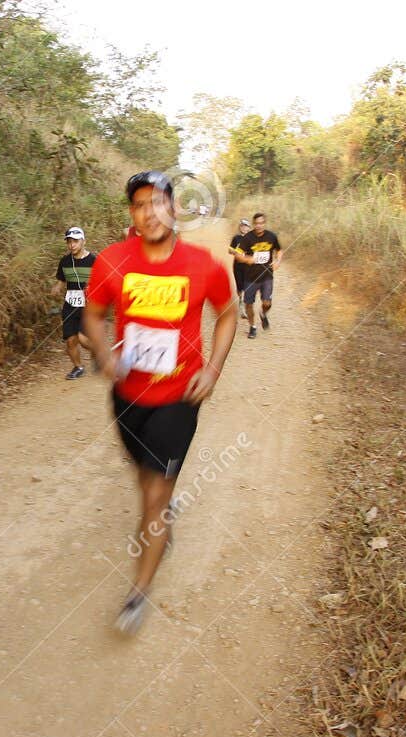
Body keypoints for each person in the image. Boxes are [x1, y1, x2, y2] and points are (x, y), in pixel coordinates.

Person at [83, 171, 238, 636]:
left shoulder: (203, 264)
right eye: (140, 205)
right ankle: (159, 515)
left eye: (159, 202)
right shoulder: (111, 261)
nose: (150, 212)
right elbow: (92, 314)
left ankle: (137, 592)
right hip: (128, 399)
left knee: (155, 498)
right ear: (132, 215)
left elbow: (228, 313)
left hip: (178, 399)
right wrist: (104, 349)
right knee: (144, 477)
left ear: (175, 208)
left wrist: (212, 369)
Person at [54, 227, 97, 380]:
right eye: (69, 242)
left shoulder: (94, 260)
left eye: (75, 241)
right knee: (71, 340)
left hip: (89, 305)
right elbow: (61, 280)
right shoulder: (65, 261)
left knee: (84, 339)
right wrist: (57, 288)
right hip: (70, 304)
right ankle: (78, 367)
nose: (72, 245)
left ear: (83, 241)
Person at [233, 211, 282, 339]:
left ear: (264, 224)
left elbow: (279, 250)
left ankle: (263, 314)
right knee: (249, 304)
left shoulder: (271, 236)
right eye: (256, 223)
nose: (259, 226)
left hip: (267, 276)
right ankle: (252, 326)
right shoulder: (247, 238)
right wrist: (246, 259)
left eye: (261, 223)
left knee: (267, 303)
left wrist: (277, 261)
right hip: (250, 278)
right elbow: (237, 254)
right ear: (253, 224)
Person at [229, 218, 251, 292]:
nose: (244, 228)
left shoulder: (252, 239)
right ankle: (240, 298)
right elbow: (230, 250)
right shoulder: (236, 238)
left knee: (247, 284)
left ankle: (246, 298)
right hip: (237, 265)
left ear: (249, 228)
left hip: (248, 265)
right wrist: (236, 252)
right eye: (242, 226)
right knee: (239, 285)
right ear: (239, 227)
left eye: (246, 226)